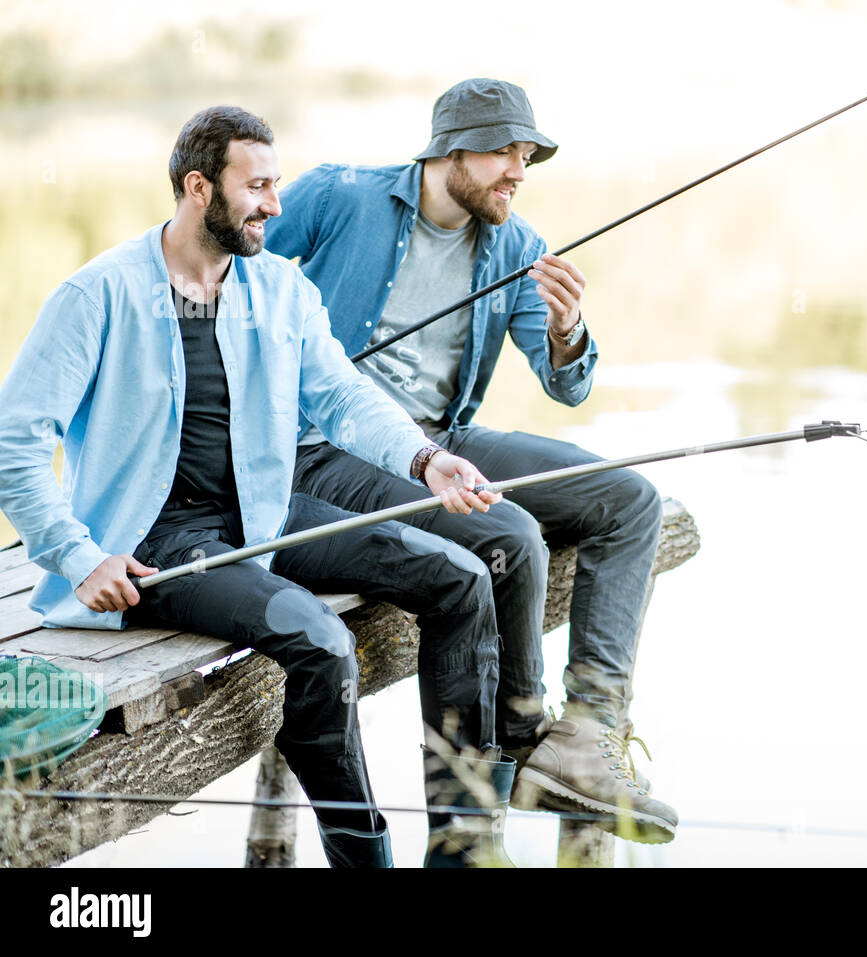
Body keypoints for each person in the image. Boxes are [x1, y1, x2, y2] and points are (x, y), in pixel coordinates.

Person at [0, 105, 517, 868]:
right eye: (259, 186)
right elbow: (15, 439)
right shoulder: (97, 294)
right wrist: (78, 556)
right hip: (155, 543)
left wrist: (423, 458)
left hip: (262, 512)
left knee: (461, 575)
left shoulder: (280, 289)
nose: (276, 204)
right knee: (321, 641)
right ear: (198, 188)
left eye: (277, 184)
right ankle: (361, 856)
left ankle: (466, 841)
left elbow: (341, 396)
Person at [265, 78, 677, 843]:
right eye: (504, 153)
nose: (518, 171)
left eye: (526, 156)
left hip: (443, 438)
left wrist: (568, 329)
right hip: (324, 446)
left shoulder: (517, 245)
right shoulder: (338, 196)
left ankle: (586, 734)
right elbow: (226, 272)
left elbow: (568, 386)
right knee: (509, 532)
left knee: (630, 500)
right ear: (451, 150)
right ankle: (524, 737)